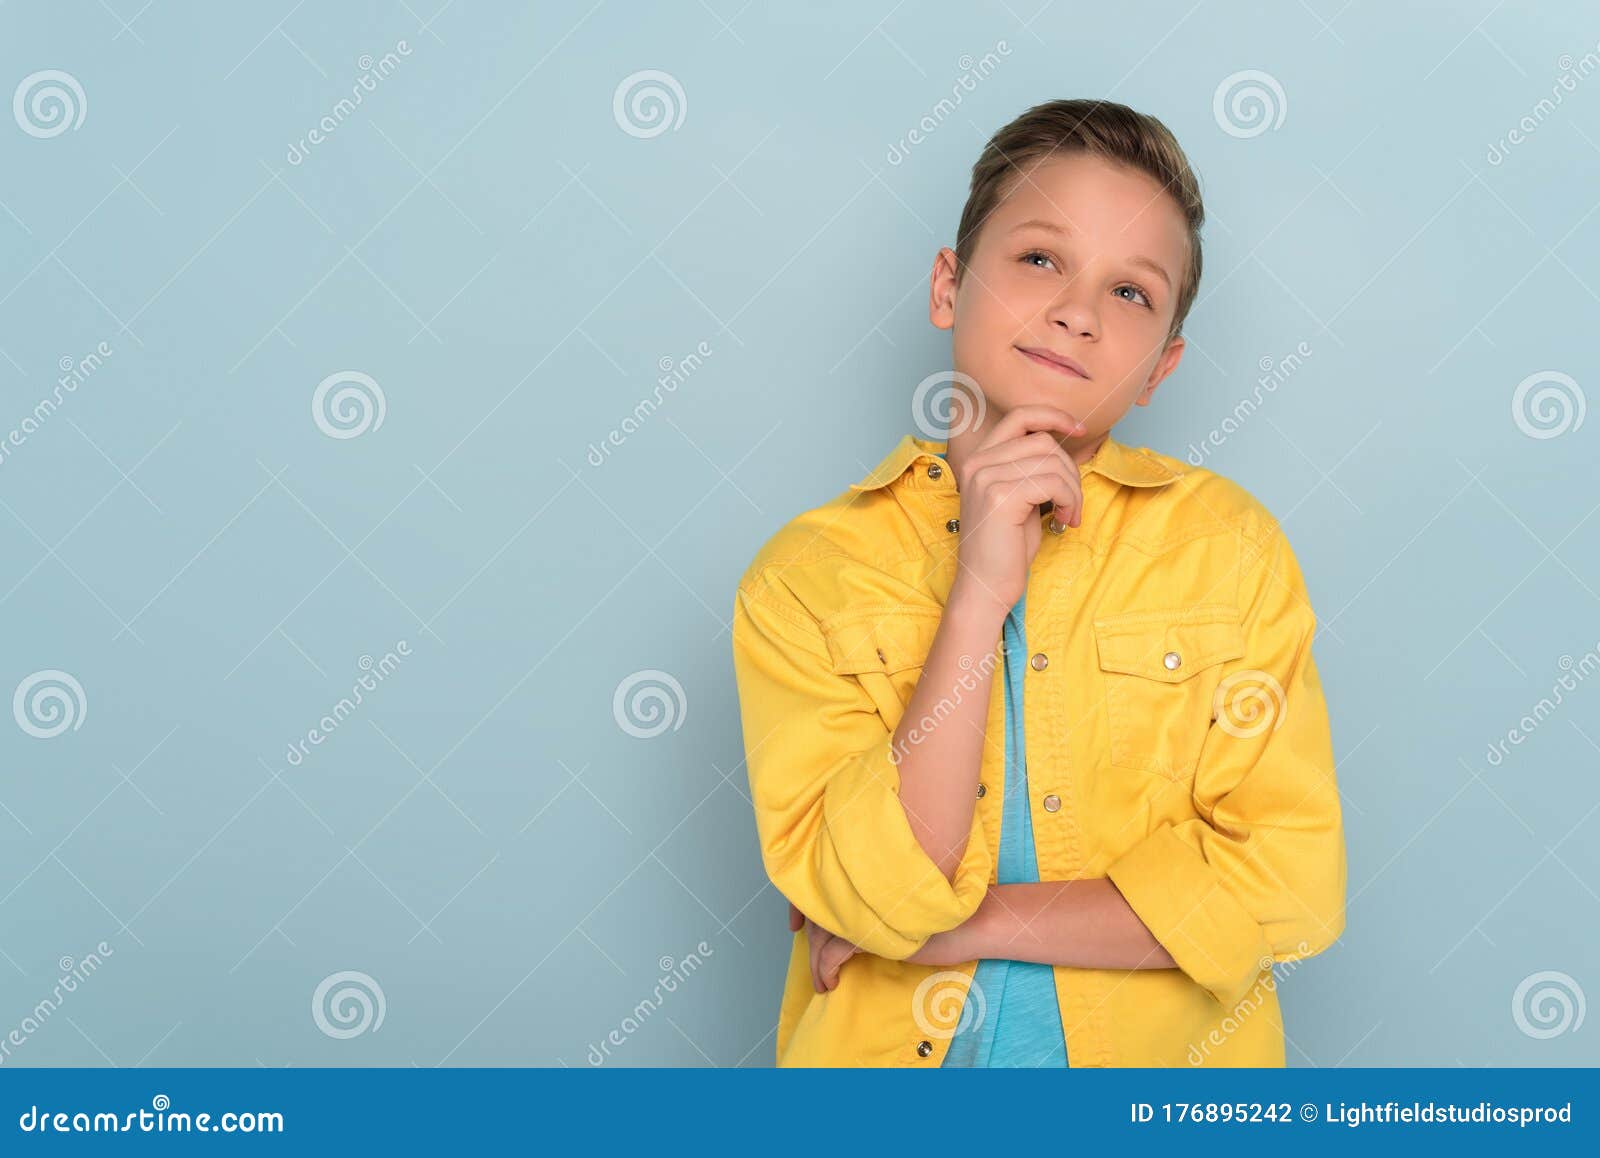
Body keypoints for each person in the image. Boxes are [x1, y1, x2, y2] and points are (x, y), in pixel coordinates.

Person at [730, 98, 1346, 1067]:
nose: (1078, 312)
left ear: (1160, 368)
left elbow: (1288, 885)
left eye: (1130, 292)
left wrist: (972, 926)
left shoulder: (1229, 551)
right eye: (1040, 259)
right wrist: (977, 595)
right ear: (948, 285)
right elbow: (877, 894)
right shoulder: (809, 579)